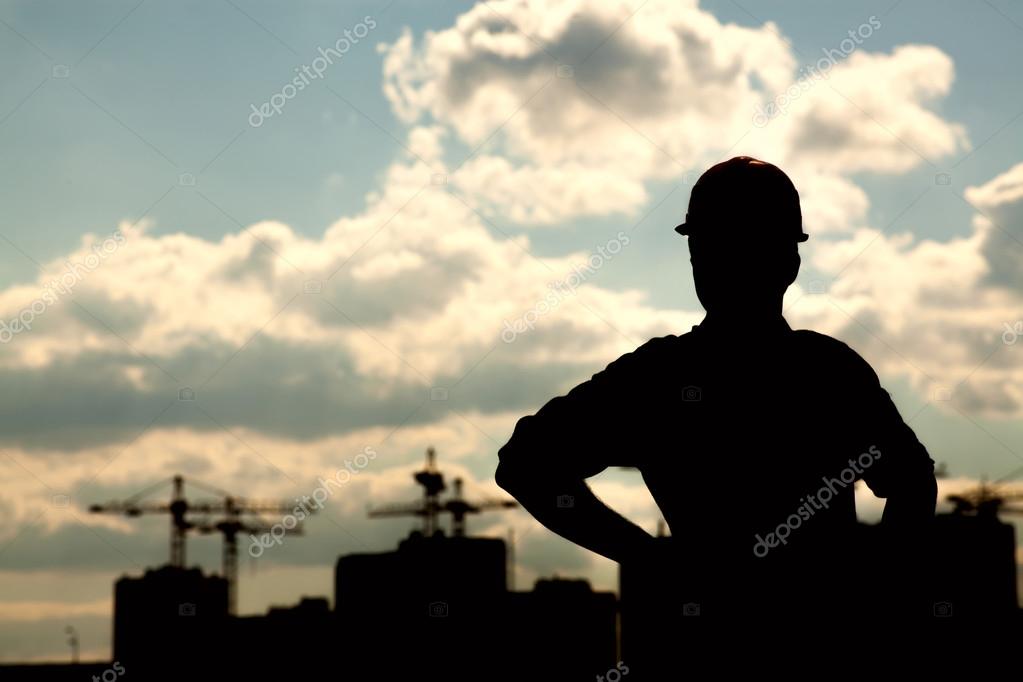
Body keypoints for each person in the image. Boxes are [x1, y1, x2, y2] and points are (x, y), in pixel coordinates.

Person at [495, 157, 937, 627]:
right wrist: (878, 602)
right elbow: (912, 482)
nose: (713, 263)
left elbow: (526, 465)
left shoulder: (659, 378)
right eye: (712, 248)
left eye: (721, 248)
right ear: (791, 261)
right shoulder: (828, 372)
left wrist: (649, 559)